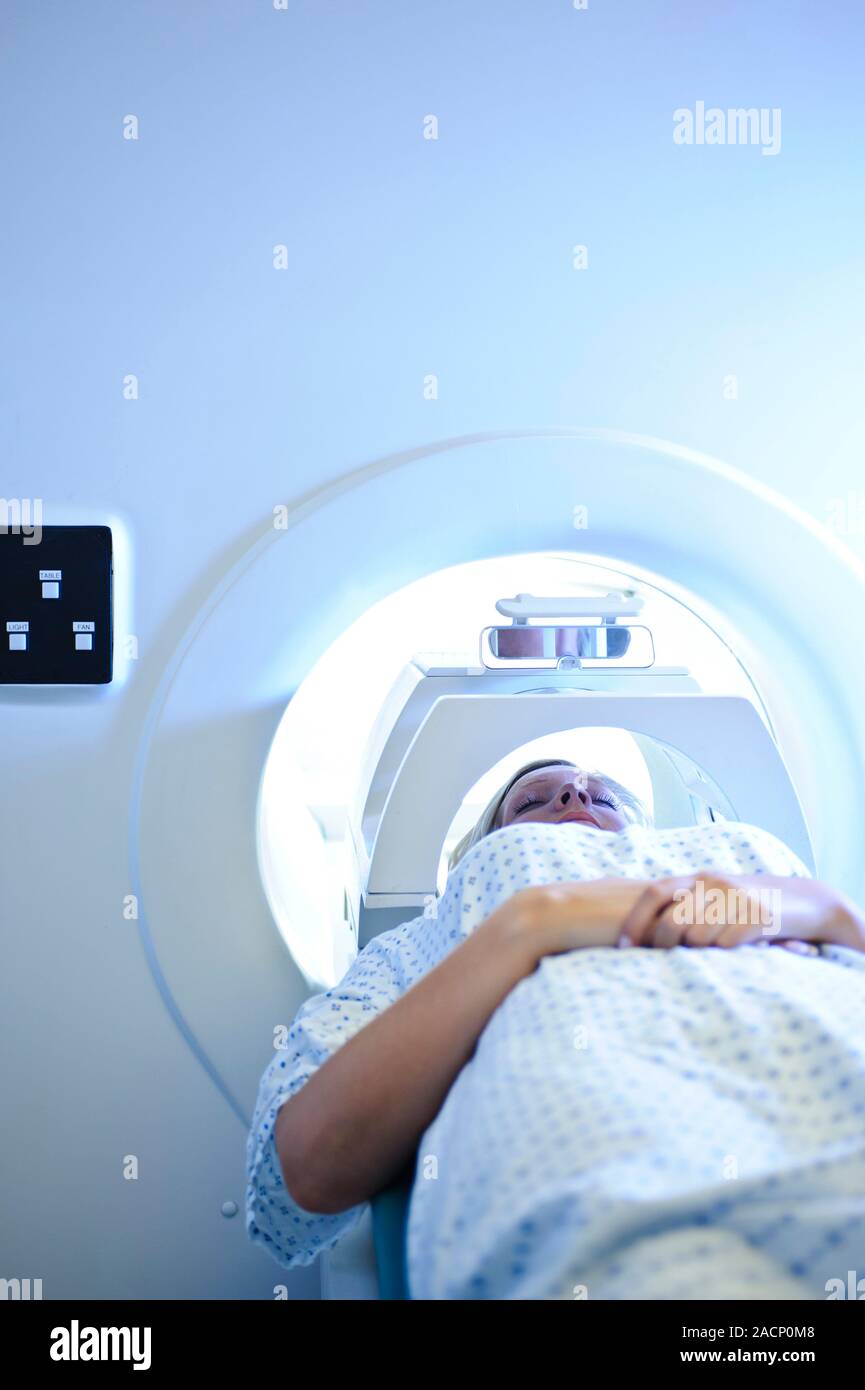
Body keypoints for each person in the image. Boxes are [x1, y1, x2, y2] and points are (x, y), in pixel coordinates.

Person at [246, 759, 865, 1298]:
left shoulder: (739, 856)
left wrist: (821, 909)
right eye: (532, 802)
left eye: (602, 798)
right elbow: (299, 1175)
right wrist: (532, 923)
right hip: (619, 1173)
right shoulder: (431, 940)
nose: (573, 799)